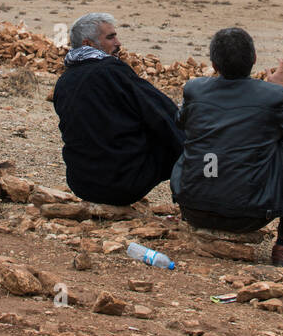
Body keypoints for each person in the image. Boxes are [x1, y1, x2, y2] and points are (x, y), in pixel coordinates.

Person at [171, 27, 283, 266]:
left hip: (194, 208)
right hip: (248, 215)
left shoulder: (194, 89)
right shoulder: (272, 96)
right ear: (254, 59)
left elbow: (180, 122)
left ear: (214, 65)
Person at [51, 12, 184, 206]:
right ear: (88, 44)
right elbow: (162, 112)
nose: (118, 43)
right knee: (174, 132)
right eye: (110, 37)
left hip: (81, 183)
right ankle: (196, 201)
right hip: (122, 183)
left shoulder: (64, 81)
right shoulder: (111, 71)